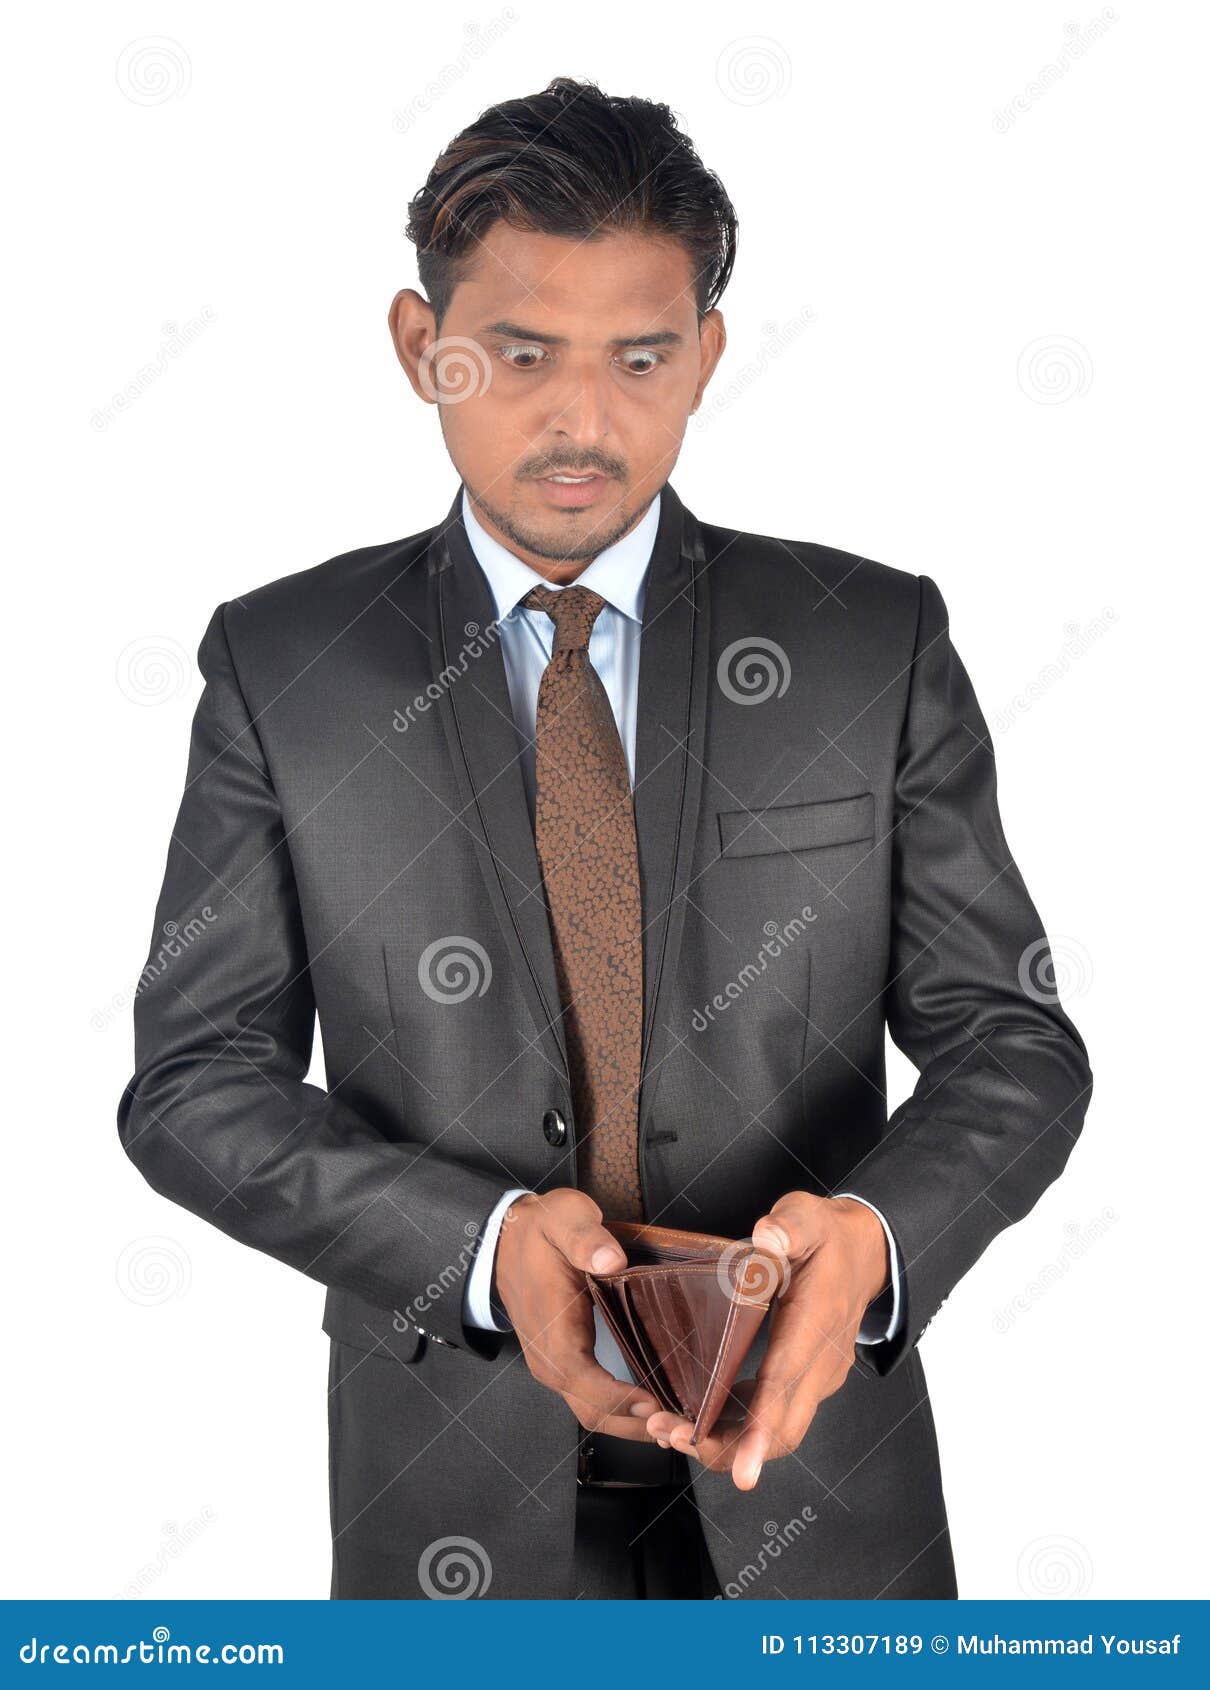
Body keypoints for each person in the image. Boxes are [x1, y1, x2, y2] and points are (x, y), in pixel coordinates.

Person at [118, 76, 1092, 1600]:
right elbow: (190, 1083)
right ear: (416, 347)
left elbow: (1010, 1038)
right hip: (449, 1503)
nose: (581, 420)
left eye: (640, 358)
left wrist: (875, 1241)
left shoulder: (866, 643)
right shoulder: (283, 665)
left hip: (817, 1497)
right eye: (519, 356)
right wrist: (483, 1245)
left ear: (704, 355)